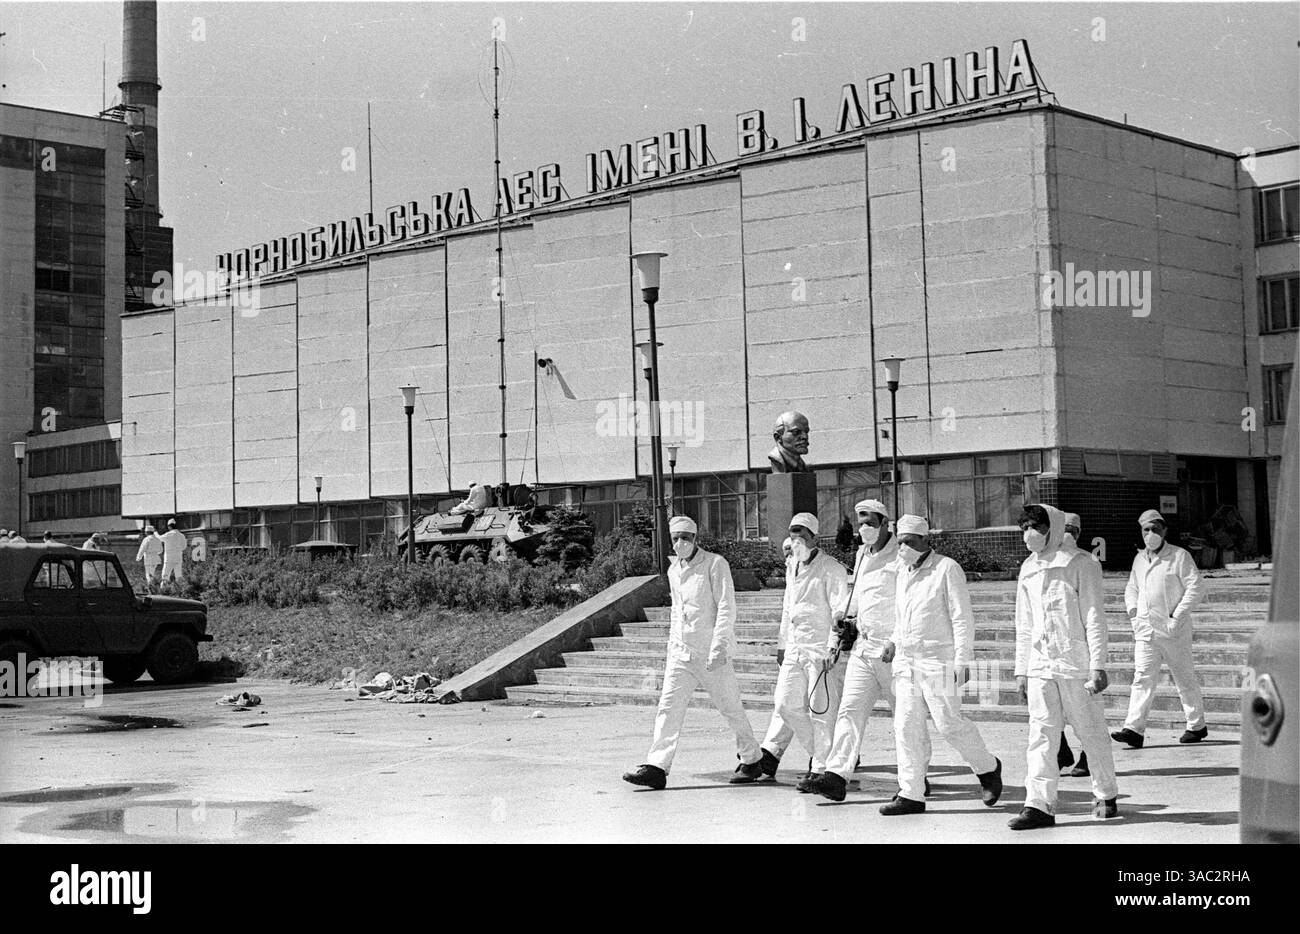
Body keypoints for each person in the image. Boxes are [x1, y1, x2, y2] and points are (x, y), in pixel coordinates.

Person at [623, 516, 764, 790]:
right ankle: (656, 767)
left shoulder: (714, 564)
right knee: (668, 707)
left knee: (730, 707)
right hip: (681, 651)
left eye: (686, 537)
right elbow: (678, 610)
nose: (681, 543)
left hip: (711, 652)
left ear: (696, 538)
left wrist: (720, 645)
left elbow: (726, 607)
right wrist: (672, 646)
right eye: (676, 538)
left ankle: (752, 759)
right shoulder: (674, 569)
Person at [809, 499, 932, 802]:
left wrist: (897, 640)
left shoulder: (900, 556)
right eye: (860, 521)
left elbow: (910, 600)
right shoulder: (862, 554)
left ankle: (918, 776)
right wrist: (845, 618)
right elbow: (858, 596)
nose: (863, 528)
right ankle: (836, 775)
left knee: (906, 717)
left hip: (894, 651)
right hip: (863, 648)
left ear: (886, 523)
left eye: (870, 522)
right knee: (849, 711)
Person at [880, 515, 1002, 815]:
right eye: (900, 543)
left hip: (938, 661)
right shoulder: (902, 571)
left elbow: (962, 618)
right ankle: (911, 793)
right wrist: (893, 641)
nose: (903, 548)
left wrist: (962, 660)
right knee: (905, 725)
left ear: (925, 540)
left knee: (948, 723)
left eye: (908, 542)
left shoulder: (946, 568)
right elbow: (901, 617)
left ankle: (987, 768)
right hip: (907, 661)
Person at [1009, 504, 1119, 830]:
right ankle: (1039, 804)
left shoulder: (1081, 564)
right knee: (1041, 735)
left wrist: (1098, 665)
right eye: (1024, 527)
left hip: (1075, 664)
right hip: (1041, 665)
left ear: (1053, 527)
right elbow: (1024, 624)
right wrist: (1022, 670)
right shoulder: (1028, 568)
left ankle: (1105, 792)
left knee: (1090, 732)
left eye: (1035, 526)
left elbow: (1094, 618)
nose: (1029, 533)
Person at [758, 513, 849, 792]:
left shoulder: (831, 568)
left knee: (820, 711)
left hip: (820, 650)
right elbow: (788, 608)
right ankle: (824, 755)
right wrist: (782, 644)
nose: (796, 539)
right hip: (795, 649)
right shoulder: (792, 566)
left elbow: (840, 610)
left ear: (814, 538)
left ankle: (820, 768)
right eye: (792, 534)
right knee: (785, 705)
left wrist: (833, 646)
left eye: (802, 535)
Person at [1112, 509, 1207, 748]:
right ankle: (1133, 728)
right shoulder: (1139, 559)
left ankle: (1196, 725)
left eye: (1155, 529)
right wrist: (1133, 612)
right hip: (1146, 630)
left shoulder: (1179, 556)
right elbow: (1131, 588)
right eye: (1146, 530)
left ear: (1165, 531)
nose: (1151, 534)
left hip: (1173, 629)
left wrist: (1177, 615)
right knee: (1142, 678)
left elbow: (1195, 588)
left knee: (1183, 677)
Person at [1057, 511, 1094, 777]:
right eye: (1064, 528)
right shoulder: (1041, 561)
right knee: (1049, 708)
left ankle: (1088, 756)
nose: (1068, 534)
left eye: (1073, 529)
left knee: (1083, 710)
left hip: (1078, 646)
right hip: (1050, 647)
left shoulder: (1086, 561)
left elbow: (1092, 612)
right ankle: (1061, 750)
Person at [160, 519, 188, 585]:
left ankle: (163, 589)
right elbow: (184, 547)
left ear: (169, 526)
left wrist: (155, 533)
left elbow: (160, 538)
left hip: (169, 558)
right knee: (178, 575)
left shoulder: (168, 534)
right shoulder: (181, 535)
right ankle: (180, 590)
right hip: (178, 557)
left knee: (165, 575)